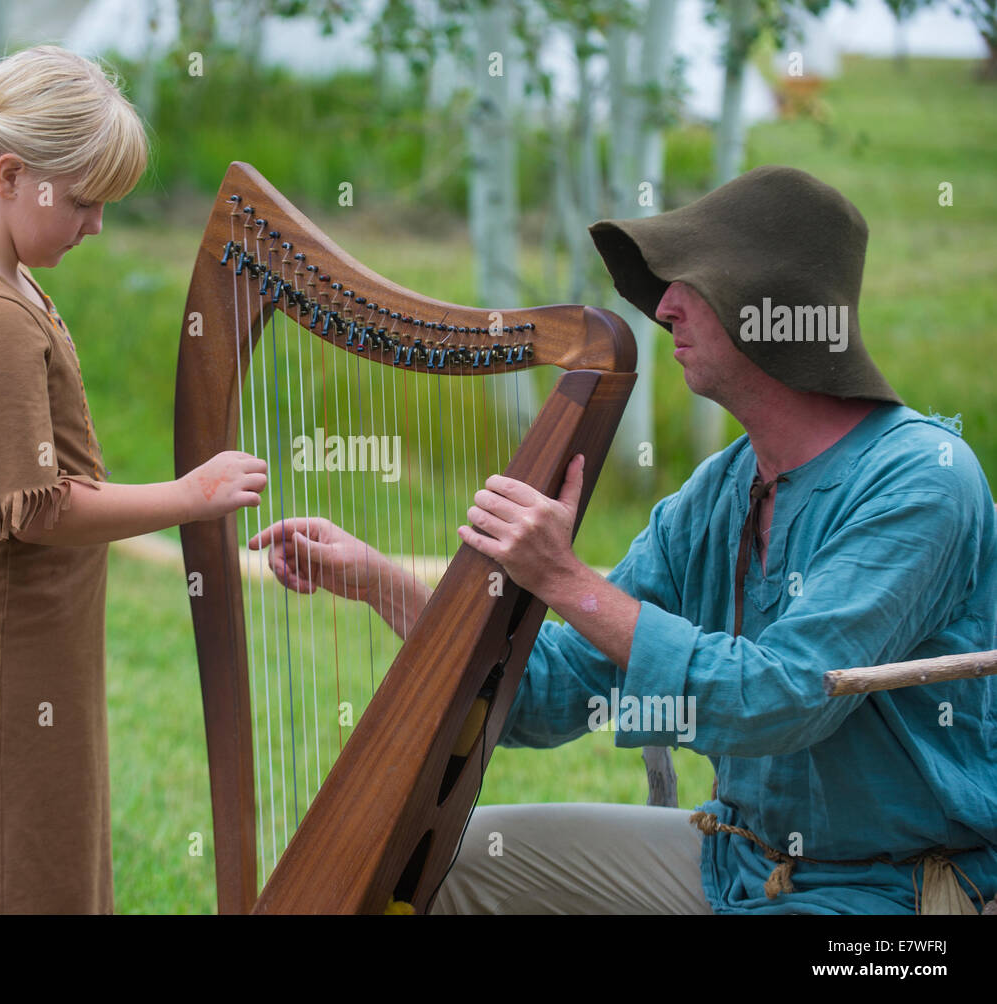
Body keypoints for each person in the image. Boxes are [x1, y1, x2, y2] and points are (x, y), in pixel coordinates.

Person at [248, 165, 997, 914]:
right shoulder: (715, 493)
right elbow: (543, 701)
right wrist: (388, 584)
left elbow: (783, 701)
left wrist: (566, 581)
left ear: (769, 305)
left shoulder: (922, 480)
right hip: (734, 860)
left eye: (692, 283)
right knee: (431, 864)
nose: (664, 305)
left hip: (893, 889)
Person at [0, 45, 266, 913]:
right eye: (86, 201)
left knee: (12, 842)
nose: (95, 225)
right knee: (4, 866)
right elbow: (33, 509)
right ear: (14, 175)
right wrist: (192, 496)